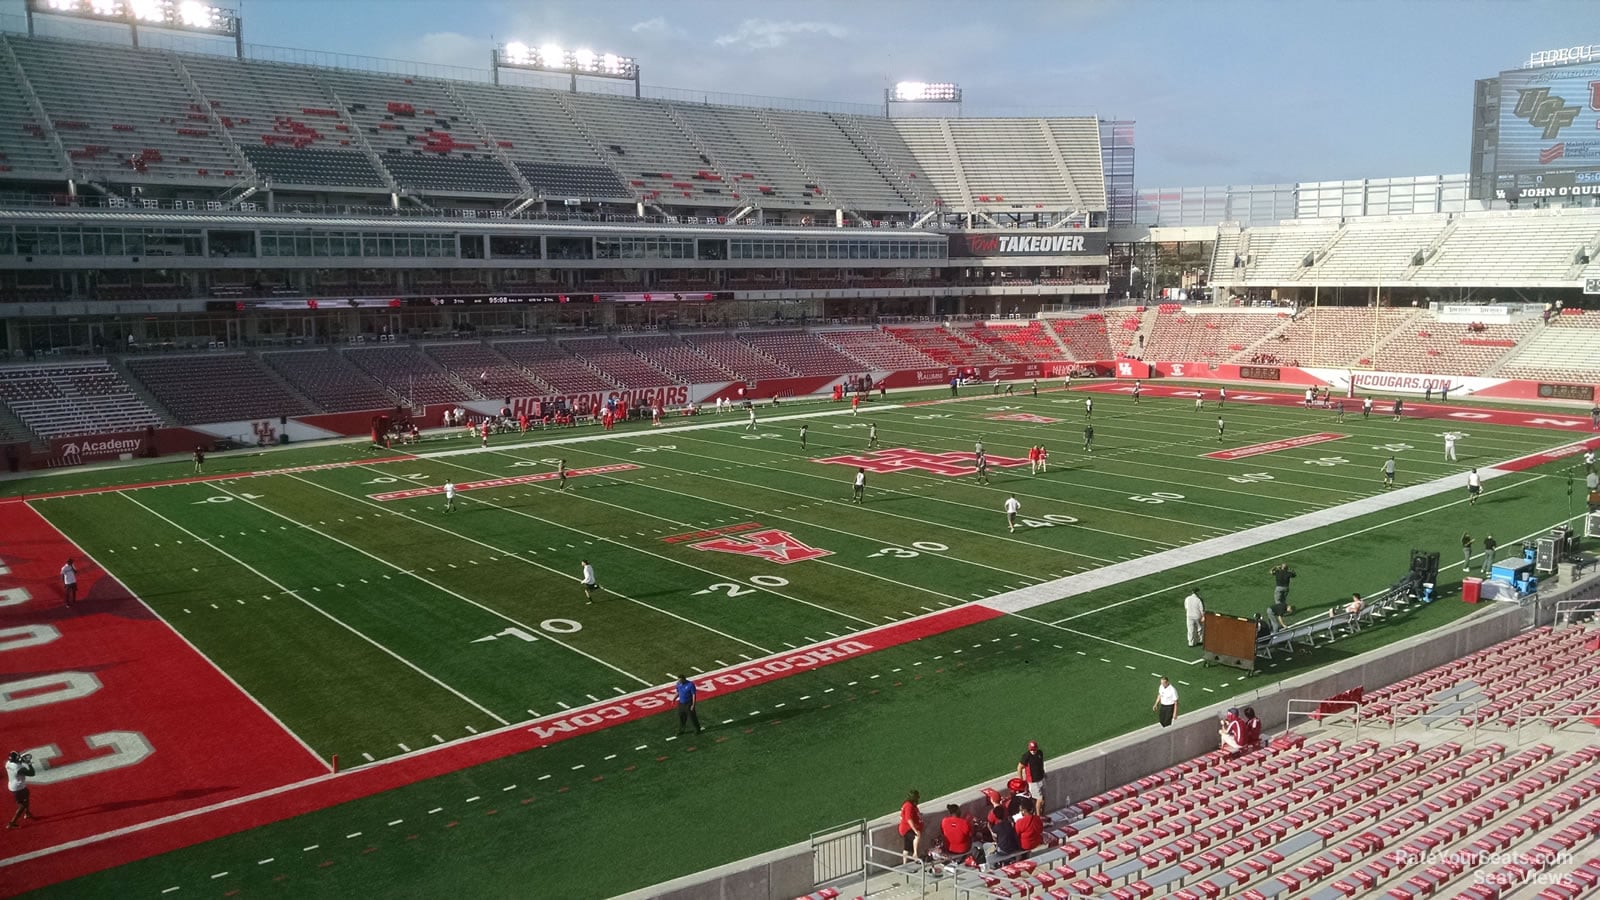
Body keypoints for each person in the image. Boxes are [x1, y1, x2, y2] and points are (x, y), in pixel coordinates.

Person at [6, 751, 35, 829]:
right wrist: (29, 764)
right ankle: (11, 823)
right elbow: (32, 773)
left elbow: (17, 763)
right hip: (18, 787)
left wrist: (20, 760)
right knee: (22, 806)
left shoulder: (8, 763)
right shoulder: (18, 768)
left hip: (13, 785)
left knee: (27, 794)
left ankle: (27, 813)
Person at [1017, 740, 1045, 811]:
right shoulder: (1026, 756)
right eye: (1031, 749)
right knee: (1040, 799)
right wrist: (1021, 780)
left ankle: (1042, 813)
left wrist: (1043, 772)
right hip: (1033, 782)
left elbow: (1040, 764)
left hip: (1041, 779)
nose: (1033, 751)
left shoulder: (1040, 753)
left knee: (1042, 799)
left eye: (1034, 749)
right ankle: (1039, 817)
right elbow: (1019, 767)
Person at [898, 790, 924, 864]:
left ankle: (904, 864)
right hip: (907, 829)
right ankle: (915, 854)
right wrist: (915, 830)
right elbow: (908, 819)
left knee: (907, 848)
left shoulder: (911, 805)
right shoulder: (908, 805)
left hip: (908, 828)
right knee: (917, 835)